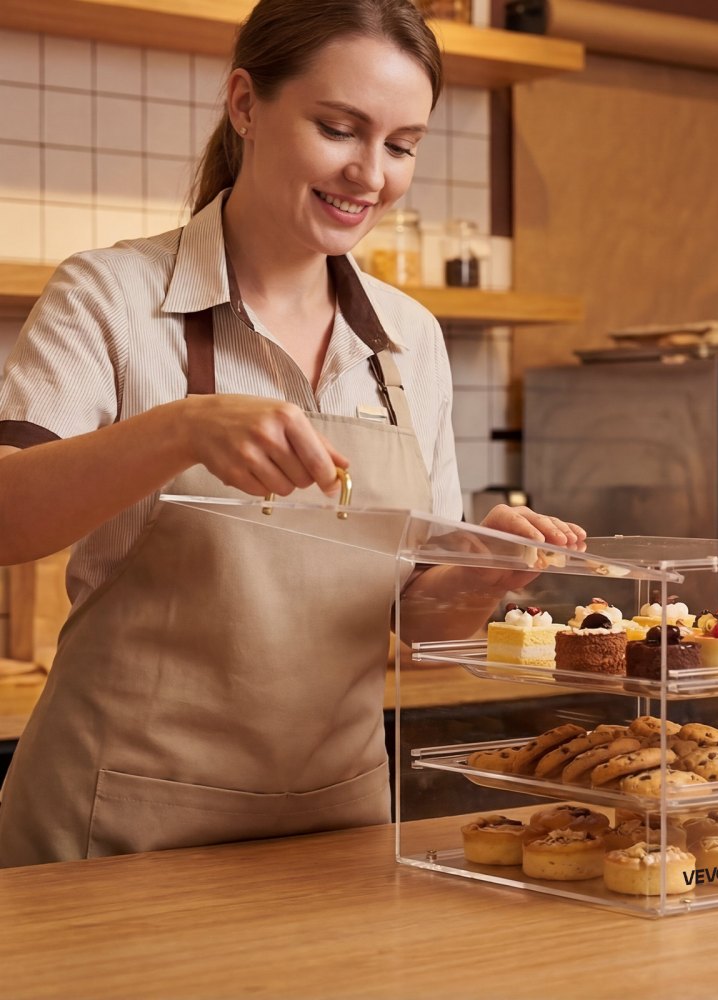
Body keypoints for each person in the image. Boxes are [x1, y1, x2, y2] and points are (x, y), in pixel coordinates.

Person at [0, 0, 584, 867]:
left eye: (401, 145)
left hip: (333, 829)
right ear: (245, 105)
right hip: (116, 823)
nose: (370, 174)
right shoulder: (111, 296)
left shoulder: (407, 338)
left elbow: (416, 620)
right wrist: (182, 429)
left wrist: (481, 572)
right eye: (339, 128)